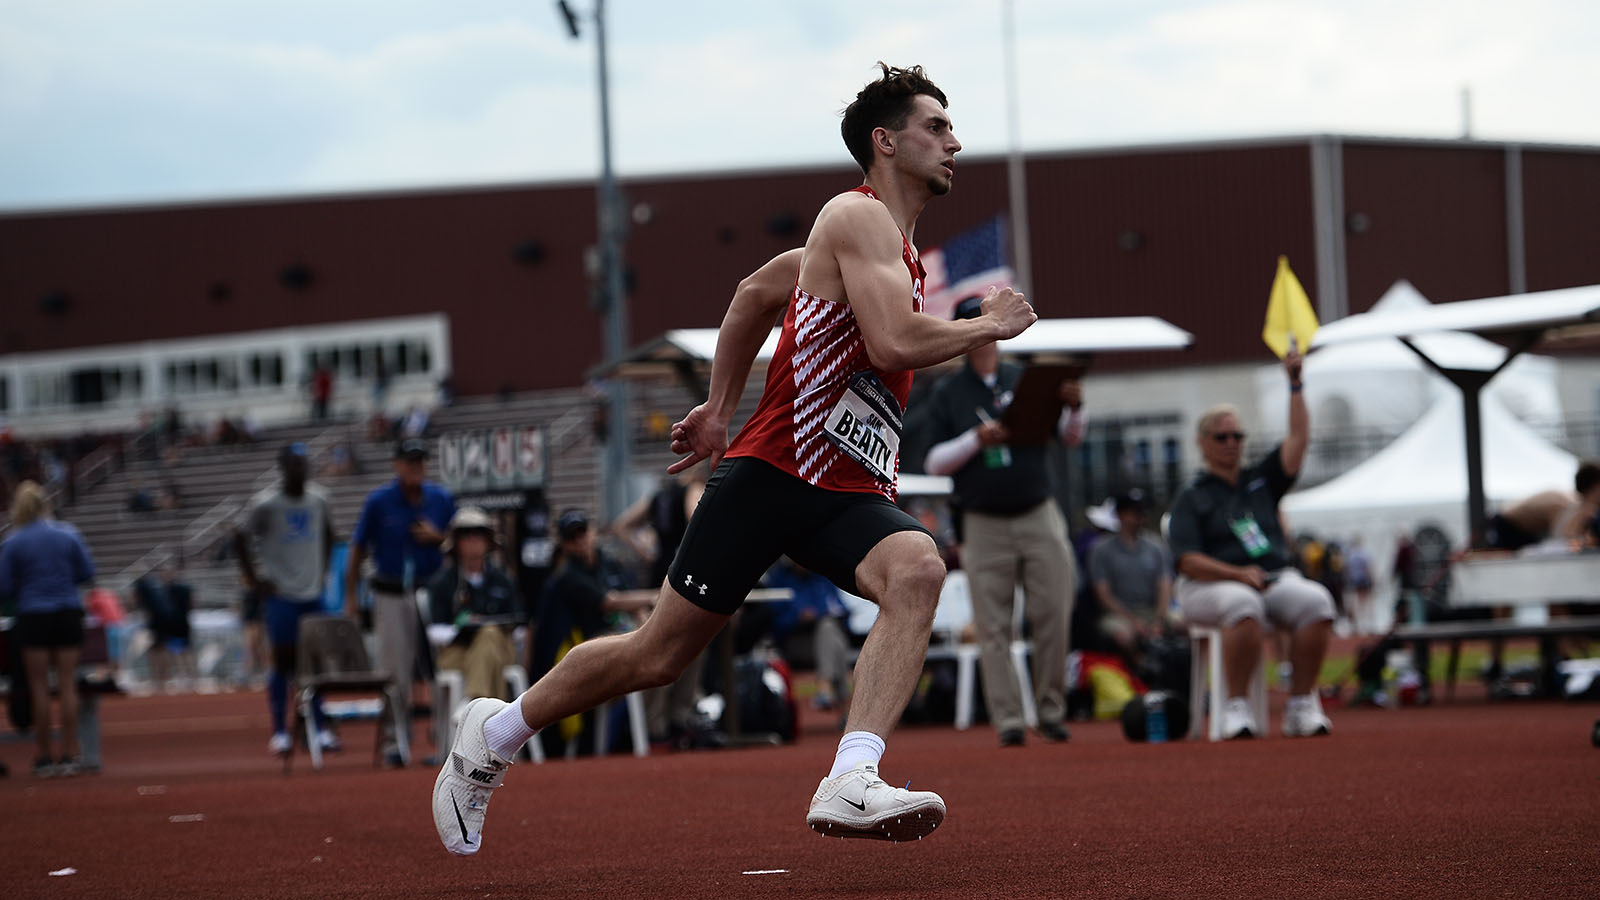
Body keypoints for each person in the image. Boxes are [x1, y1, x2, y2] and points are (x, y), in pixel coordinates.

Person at [432, 62, 1037, 855]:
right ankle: (494, 731)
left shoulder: (889, 252)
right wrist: (985, 326)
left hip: (843, 488)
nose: (955, 141)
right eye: (936, 126)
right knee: (660, 653)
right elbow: (892, 340)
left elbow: (757, 292)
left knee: (918, 569)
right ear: (885, 142)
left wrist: (717, 405)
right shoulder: (854, 220)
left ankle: (852, 776)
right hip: (774, 475)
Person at [920, 295, 1086, 747]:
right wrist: (977, 438)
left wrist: (1074, 407)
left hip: (1036, 508)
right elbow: (934, 462)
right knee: (994, 625)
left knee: (1054, 610)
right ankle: (1009, 720)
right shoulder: (948, 393)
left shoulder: (1023, 378)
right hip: (983, 518)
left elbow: (1070, 438)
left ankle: (1051, 710)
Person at [1166, 347, 1336, 739]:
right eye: (1222, 436)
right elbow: (1187, 561)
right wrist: (1237, 574)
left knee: (1317, 602)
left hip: (1271, 577)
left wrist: (1295, 383)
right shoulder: (1192, 497)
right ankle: (1234, 707)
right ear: (1203, 442)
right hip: (1209, 586)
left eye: (1237, 435)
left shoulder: (1260, 482)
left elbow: (1299, 439)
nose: (1231, 442)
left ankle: (1300, 703)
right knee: (1243, 604)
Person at [347, 437, 456, 766]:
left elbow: (463, 541)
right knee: (395, 670)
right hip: (391, 592)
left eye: (420, 461)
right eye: (409, 461)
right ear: (396, 464)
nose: (415, 467)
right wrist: (351, 597)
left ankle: (445, 739)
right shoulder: (380, 501)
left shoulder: (441, 498)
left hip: (433, 591)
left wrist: (438, 537)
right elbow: (358, 549)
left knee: (440, 666)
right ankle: (396, 742)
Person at [234, 442, 339, 757]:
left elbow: (331, 534)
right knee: (282, 663)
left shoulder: (320, 499)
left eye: (303, 463)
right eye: (294, 464)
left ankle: (319, 728)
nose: (300, 469)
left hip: (312, 594)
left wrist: (321, 572)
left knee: (316, 664)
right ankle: (280, 731)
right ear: (283, 468)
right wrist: (254, 579)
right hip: (282, 595)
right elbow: (238, 536)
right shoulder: (266, 504)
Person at [529, 509, 658, 751]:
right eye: (572, 536)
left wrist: (646, 623)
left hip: (625, 634)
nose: (580, 540)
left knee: (666, 651)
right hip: (590, 644)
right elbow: (609, 601)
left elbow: (632, 601)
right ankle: (645, 733)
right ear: (564, 544)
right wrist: (656, 597)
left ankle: (663, 728)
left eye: (583, 532)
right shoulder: (567, 575)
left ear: (593, 531)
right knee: (642, 654)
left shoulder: (609, 561)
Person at [0, 481, 95, 777]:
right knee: (67, 685)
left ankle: (43, 756)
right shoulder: (68, 534)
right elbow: (87, 572)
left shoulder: (14, 541)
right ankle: (69, 753)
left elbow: (3, 585)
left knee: (38, 688)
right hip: (66, 611)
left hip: (33, 614)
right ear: (45, 504)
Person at [610, 468, 709, 744]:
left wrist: (647, 551)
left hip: (658, 578)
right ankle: (675, 721)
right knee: (684, 651)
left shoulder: (659, 496)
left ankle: (655, 724)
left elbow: (621, 525)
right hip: (682, 581)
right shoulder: (692, 491)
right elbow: (698, 521)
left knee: (660, 647)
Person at [426, 507, 522, 707]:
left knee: (489, 634)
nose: (473, 541)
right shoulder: (443, 582)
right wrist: (463, 629)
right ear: (456, 542)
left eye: (478, 534)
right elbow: (435, 630)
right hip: (457, 652)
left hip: (500, 649)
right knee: (486, 643)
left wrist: (489, 628)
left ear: (488, 540)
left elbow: (519, 625)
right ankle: (491, 718)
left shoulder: (503, 580)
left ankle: (473, 704)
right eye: (466, 535)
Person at [1088, 490, 1173, 666]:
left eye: (1143, 511)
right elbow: (1103, 595)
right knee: (1124, 636)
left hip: (1152, 611)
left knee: (1190, 625)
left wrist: (1159, 619)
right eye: (1135, 512)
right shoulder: (1101, 550)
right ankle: (1142, 671)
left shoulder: (1156, 546)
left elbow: (1165, 585)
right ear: (1120, 515)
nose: (1141, 516)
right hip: (1119, 614)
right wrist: (1134, 621)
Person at [133, 563, 195, 692]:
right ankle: (174, 677)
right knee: (170, 650)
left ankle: (182, 677)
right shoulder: (161, 589)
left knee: (177, 650)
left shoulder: (163, 589)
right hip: (169, 624)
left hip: (175, 624)